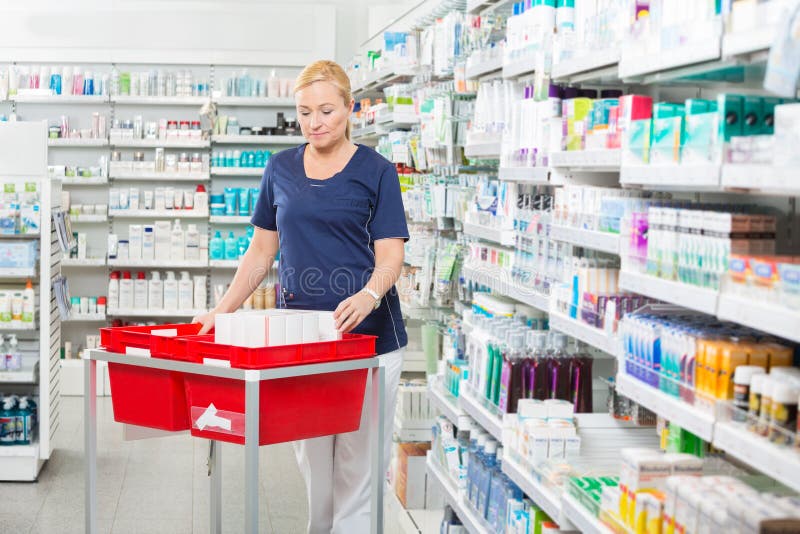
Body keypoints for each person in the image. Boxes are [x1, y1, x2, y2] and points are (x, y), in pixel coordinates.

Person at [193, 59, 408, 533]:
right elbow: (260, 253)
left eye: (327, 111)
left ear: (350, 108)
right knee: (312, 460)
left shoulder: (377, 171)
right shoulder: (280, 168)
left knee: (358, 466)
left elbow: (392, 255)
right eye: (305, 112)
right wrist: (220, 312)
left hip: (369, 340)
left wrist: (370, 295)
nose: (315, 122)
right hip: (302, 340)